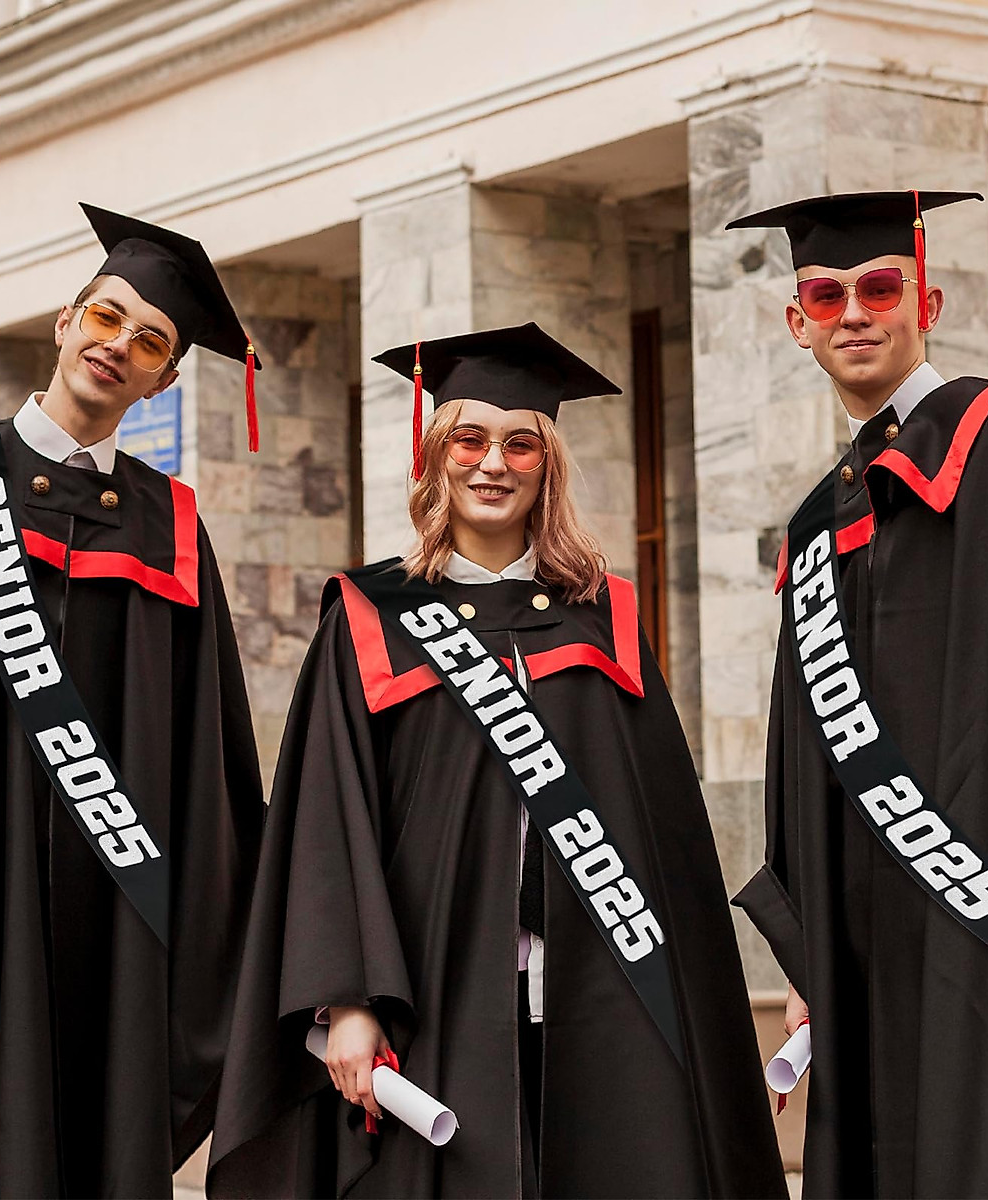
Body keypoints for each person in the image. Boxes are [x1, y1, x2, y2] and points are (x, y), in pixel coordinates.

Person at [206, 322, 786, 1199]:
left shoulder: (604, 618)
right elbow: (328, 820)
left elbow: (662, 831)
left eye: (520, 444)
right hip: (432, 986)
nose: (493, 464)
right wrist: (349, 1000)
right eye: (470, 440)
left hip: (602, 987)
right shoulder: (372, 615)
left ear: (547, 466)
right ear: (437, 455)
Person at [0, 203, 264, 1197]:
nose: (117, 345)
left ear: (163, 380)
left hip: (107, 916)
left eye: (150, 340)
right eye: (106, 317)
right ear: (65, 322)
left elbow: (210, 758)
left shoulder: (167, 527)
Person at [727, 190, 988, 1197]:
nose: (854, 313)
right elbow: (805, 748)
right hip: (869, 944)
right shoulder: (819, 521)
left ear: (926, 301)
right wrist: (813, 959)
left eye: (880, 288)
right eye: (826, 296)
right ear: (797, 324)